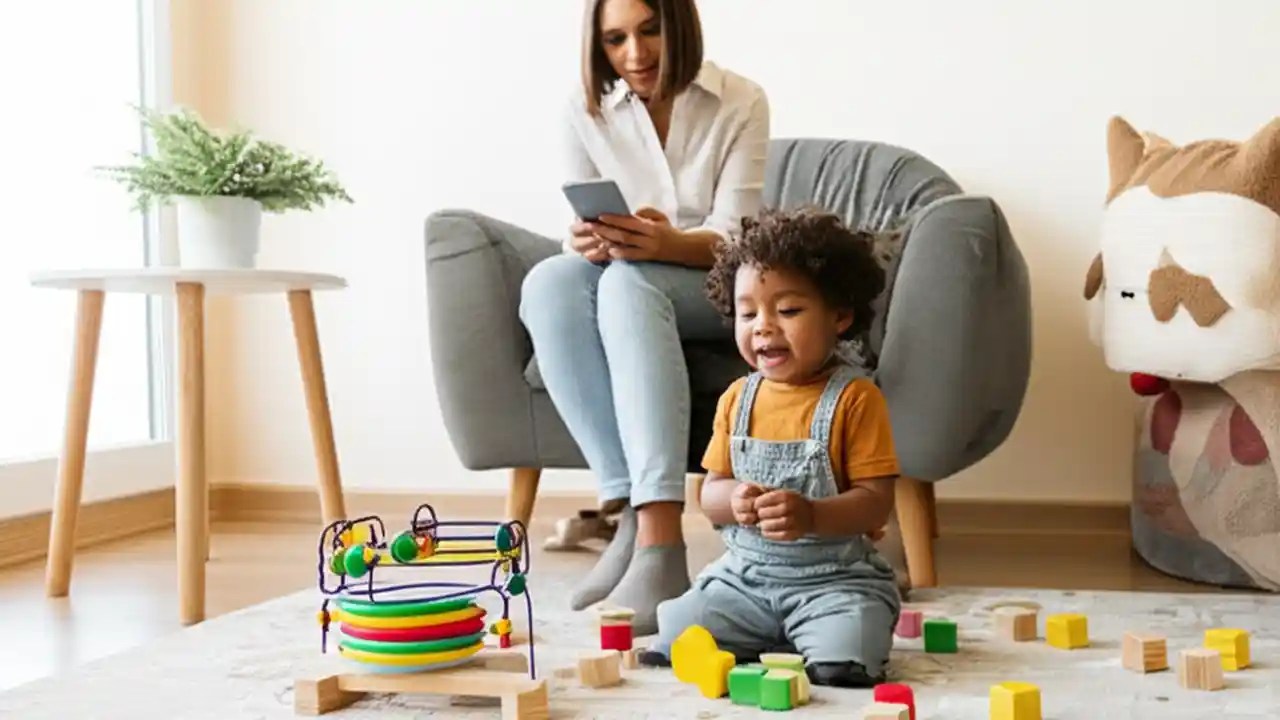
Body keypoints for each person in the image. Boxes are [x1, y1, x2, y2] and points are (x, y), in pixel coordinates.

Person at [517, 0, 770, 635]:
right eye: (615, 39)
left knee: (630, 285)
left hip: (715, 286)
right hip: (627, 273)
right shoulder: (584, 109)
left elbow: (736, 241)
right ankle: (627, 509)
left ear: (677, 22)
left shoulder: (740, 100)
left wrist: (664, 245)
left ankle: (661, 542)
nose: (635, 54)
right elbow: (583, 229)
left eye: (650, 29)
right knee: (549, 280)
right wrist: (593, 239)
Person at [638, 207, 903, 688]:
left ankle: (818, 639)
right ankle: (774, 636)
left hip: (833, 581)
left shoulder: (856, 399)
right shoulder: (738, 399)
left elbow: (875, 503)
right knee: (675, 630)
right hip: (746, 579)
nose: (763, 326)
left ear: (839, 316)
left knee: (852, 647)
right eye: (747, 313)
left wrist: (813, 516)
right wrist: (734, 500)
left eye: (788, 311)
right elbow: (709, 495)